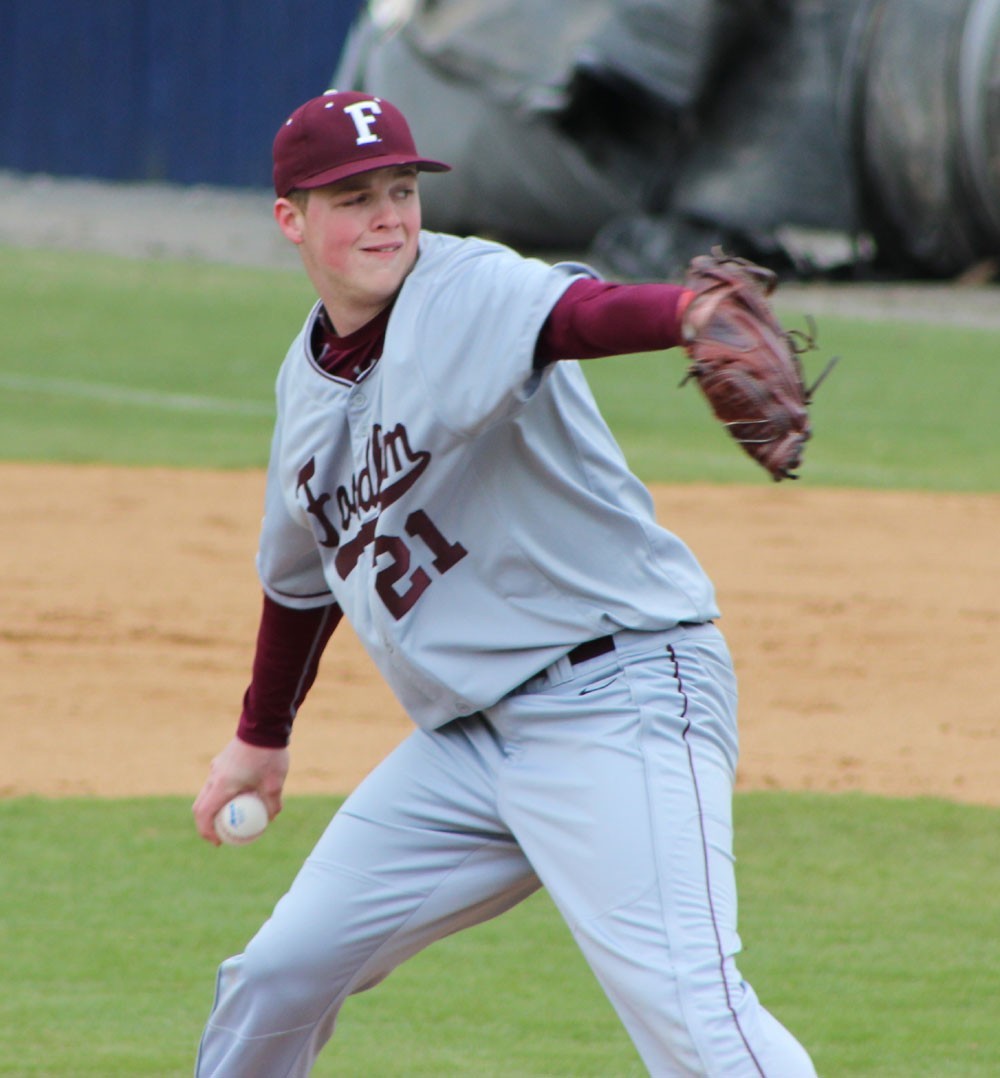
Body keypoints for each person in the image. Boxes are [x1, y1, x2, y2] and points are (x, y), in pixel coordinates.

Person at [192, 89, 817, 1077]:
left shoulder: (464, 288)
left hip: (617, 694)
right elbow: (301, 576)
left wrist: (688, 313)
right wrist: (260, 736)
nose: (388, 218)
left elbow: (576, 315)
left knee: (692, 1016)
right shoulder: (304, 383)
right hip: (466, 747)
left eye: (401, 190)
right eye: (353, 198)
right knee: (278, 974)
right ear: (291, 219)